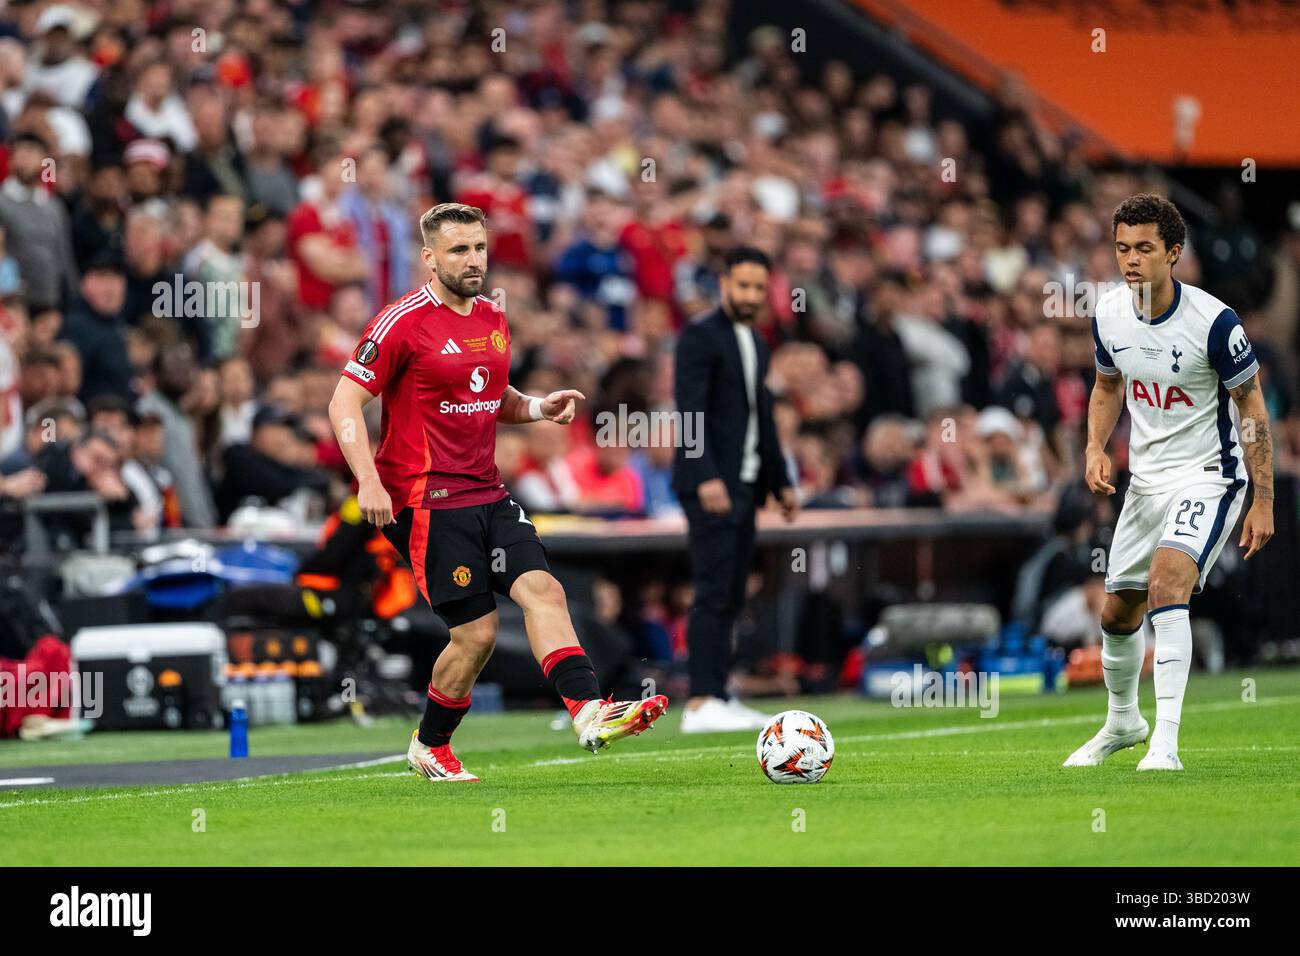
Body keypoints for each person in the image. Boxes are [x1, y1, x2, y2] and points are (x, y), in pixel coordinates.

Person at [328, 202, 667, 782]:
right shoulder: (401, 322)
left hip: (487, 491)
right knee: (477, 636)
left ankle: (588, 711)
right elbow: (344, 403)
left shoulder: (492, 317)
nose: (473, 260)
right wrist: (367, 479)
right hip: (426, 499)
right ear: (429, 258)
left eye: (479, 247)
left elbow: (491, 395)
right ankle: (430, 745)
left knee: (544, 590)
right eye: (459, 250)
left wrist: (537, 407)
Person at [1065, 193, 1275, 772]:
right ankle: (1122, 722)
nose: (1130, 260)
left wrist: (1264, 496)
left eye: (1144, 249)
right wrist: (1093, 447)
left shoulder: (1214, 322)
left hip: (1209, 475)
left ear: (1173, 252)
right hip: (1146, 481)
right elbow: (1108, 386)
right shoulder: (1108, 313)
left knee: (1167, 585)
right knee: (1116, 614)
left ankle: (1166, 745)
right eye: (1122, 248)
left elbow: (1252, 408)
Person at [672, 246, 798, 733]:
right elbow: (691, 413)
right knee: (712, 588)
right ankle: (701, 700)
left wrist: (781, 482)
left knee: (730, 590)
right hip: (712, 485)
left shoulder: (757, 342)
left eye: (758, 288)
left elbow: (762, 419)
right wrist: (705, 475)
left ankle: (721, 692)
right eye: (742, 285)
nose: (749, 295)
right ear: (723, 284)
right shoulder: (699, 337)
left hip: (744, 485)